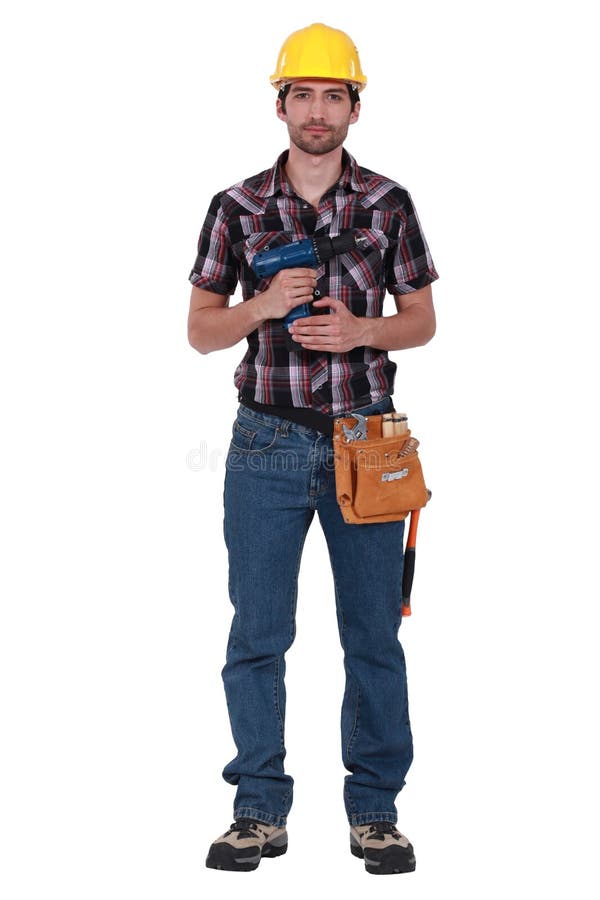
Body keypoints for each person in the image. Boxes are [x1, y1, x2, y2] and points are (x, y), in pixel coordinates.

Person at [187, 22, 438, 875]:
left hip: (369, 444)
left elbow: (424, 321)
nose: (318, 110)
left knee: (373, 635)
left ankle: (376, 813)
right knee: (257, 634)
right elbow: (198, 332)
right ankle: (257, 809)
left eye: (335, 95)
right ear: (282, 103)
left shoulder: (388, 204)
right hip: (265, 445)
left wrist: (363, 329)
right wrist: (260, 307)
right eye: (304, 94)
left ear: (355, 107)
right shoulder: (239, 208)